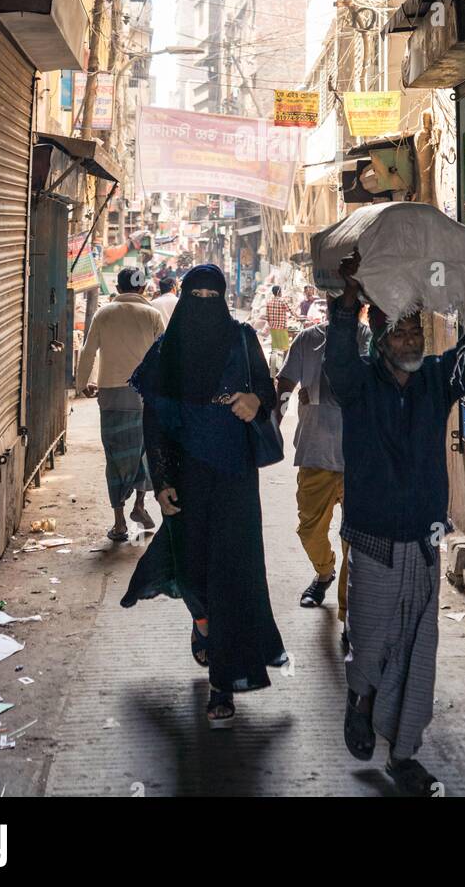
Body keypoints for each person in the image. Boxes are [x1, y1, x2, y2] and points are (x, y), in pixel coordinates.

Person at [325, 246, 465, 796]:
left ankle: (404, 755)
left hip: (423, 537)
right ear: (381, 340)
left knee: (417, 651)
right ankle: (359, 699)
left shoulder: (435, 380)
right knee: (374, 638)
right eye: (399, 334)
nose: (409, 342)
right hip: (375, 537)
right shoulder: (359, 386)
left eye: (415, 333)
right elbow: (336, 356)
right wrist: (350, 299)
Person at [122, 264, 288, 728]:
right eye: (196, 296)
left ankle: (224, 682)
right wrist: (162, 480)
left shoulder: (243, 340)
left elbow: (267, 391)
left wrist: (256, 403)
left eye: (213, 297)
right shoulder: (166, 352)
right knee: (193, 571)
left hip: (235, 477)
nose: (204, 306)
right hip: (188, 479)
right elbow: (154, 420)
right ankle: (201, 621)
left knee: (230, 576)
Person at [276, 316, 370, 641]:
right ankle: (324, 572)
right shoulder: (306, 339)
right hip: (315, 451)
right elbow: (285, 382)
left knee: (355, 540)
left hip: (357, 457)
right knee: (308, 529)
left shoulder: (368, 339)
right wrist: (275, 421)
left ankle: (348, 614)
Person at [76, 265, 164, 542]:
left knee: (114, 457)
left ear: (117, 288)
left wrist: (82, 385)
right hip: (144, 396)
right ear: (142, 288)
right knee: (144, 452)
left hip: (111, 395)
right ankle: (139, 504)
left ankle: (119, 523)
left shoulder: (104, 314)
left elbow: (88, 352)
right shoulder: (151, 314)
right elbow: (164, 356)